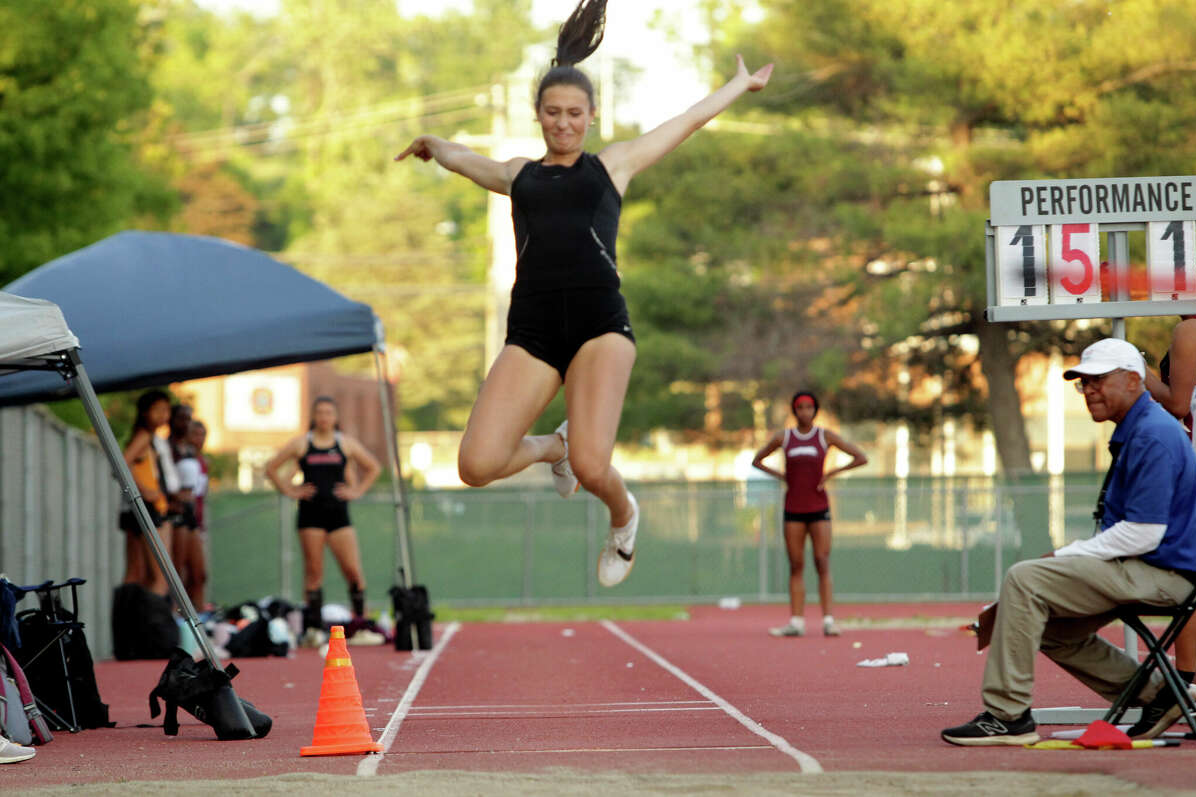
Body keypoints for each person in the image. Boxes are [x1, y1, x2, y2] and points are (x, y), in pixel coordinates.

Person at [395, 0, 773, 587]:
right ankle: (553, 448)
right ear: (538, 115)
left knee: (596, 465)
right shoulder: (520, 175)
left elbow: (684, 123)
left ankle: (624, 518)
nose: (563, 123)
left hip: (600, 327)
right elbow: (468, 160)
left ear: (591, 117)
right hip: (534, 332)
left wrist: (737, 86)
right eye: (553, 113)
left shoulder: (612, 167)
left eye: (574, 113)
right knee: (476, 463)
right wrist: (432, 143)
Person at [942, 338, 1196, 746]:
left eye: (1098, 380)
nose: (1089, 390)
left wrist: (1065, 554)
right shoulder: (1142, 429)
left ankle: (1007, 715)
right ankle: (1160, 696)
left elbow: (1144, 532)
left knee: (1024, 580)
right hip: (1155, 567)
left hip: (1165, 573)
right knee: (1051, 628)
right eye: (1084, 384)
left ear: (1134, 381)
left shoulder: (1153, 434)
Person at [264, 396, 383, 646]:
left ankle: (360, 624)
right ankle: (314, 629)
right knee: (314, 572)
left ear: (335, 417)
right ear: (313, 416)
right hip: (311, 515)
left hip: (339, 515)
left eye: (329, 412)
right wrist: (291, 490)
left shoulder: (345, 444)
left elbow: (373, 467)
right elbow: (271, 468)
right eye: (320, 412)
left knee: (353, 571)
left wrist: (357, 491)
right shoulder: (301, 444)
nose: (324, 417)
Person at [751, 391, 867, 637]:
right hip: (793, 508)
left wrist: (832, 473)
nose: (805, 411)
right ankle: (796, 621)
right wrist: (781, 477)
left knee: (822, 561)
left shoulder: (824, 436)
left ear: (815, 410)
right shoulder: (784, 437)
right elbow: (757, 460)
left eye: (809, 407)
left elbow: (860, 457)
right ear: (794, 411)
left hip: (819, 508)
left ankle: (828, 620)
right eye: (800, 407)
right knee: (796, 565)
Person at [1137, 316, 1196, 737]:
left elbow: (1178, 404)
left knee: (1193, 584)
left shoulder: (1192, 327)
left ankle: (1185, 688)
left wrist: (1141, 376)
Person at [118, 390, 174, 596]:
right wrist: (144, 490)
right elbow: (121, 465)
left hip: (139, 507)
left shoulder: (150, 438)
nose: (163, 415)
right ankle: (151, 623)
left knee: (136, 573)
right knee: (161, 578)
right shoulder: (143, 436)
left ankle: (129, 619)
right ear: (144, 412)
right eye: (157, 410)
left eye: (166, 410)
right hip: (147, 508)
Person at [173, 418, 210, 610]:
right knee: (180, 572)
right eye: (195, 434)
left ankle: (199, 614)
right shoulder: (180, 455)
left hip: (196, 521)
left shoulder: (203, 462)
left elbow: (200, 496)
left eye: (203, 435)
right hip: (181, 519)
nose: (199, 439)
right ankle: (177, 615)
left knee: (199, 574)